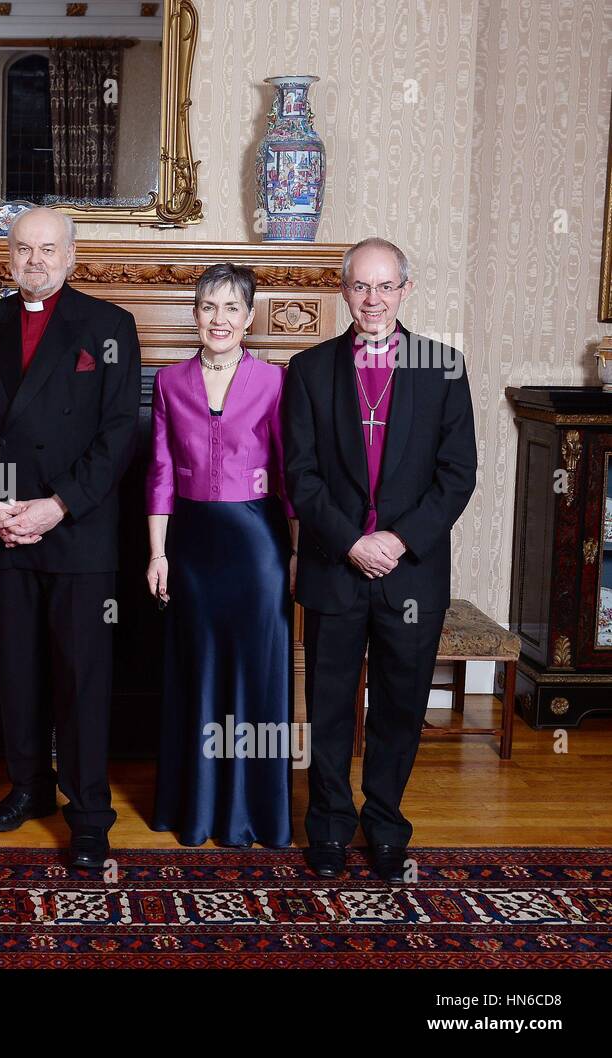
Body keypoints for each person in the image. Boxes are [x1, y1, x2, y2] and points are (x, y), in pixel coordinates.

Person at [0, 206, 141, 869]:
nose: (34, 260)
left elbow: (118, 436)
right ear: (8, 255)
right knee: (18, 670)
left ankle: (88, 812)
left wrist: (59, 506)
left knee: (82, 677)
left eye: (47, 249)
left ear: (71, 255)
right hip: (1, 524)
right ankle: (28, 788)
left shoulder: (110, 327)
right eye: (23, 249)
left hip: (75, 529)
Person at [283, 237, 477, 883]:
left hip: (411, 573)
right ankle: (331, 827)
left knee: (400, 706)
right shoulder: (308, 370)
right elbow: (300, 477)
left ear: (405, 290)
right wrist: (351, 543)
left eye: (385, 286)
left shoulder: (444, 367)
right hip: (336, 568)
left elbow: (457, 475)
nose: (373, 300)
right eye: (361, 287)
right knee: (331, 706)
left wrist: (396, 541)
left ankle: (387, 823)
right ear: (344, 292)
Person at [145, 263, 298, 848]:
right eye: (209, 306)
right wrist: (156, 553)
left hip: (257, 541)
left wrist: (296, 552)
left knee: (256, 671)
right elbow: (159, 472)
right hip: (191, 544)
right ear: (194, 314)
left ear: (250, 316)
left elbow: (288, 474)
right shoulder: (168, 381)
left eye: (232, 307)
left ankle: (257, 811)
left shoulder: (274, 381)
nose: (219, 319)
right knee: (198, 669)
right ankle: (199, 807)